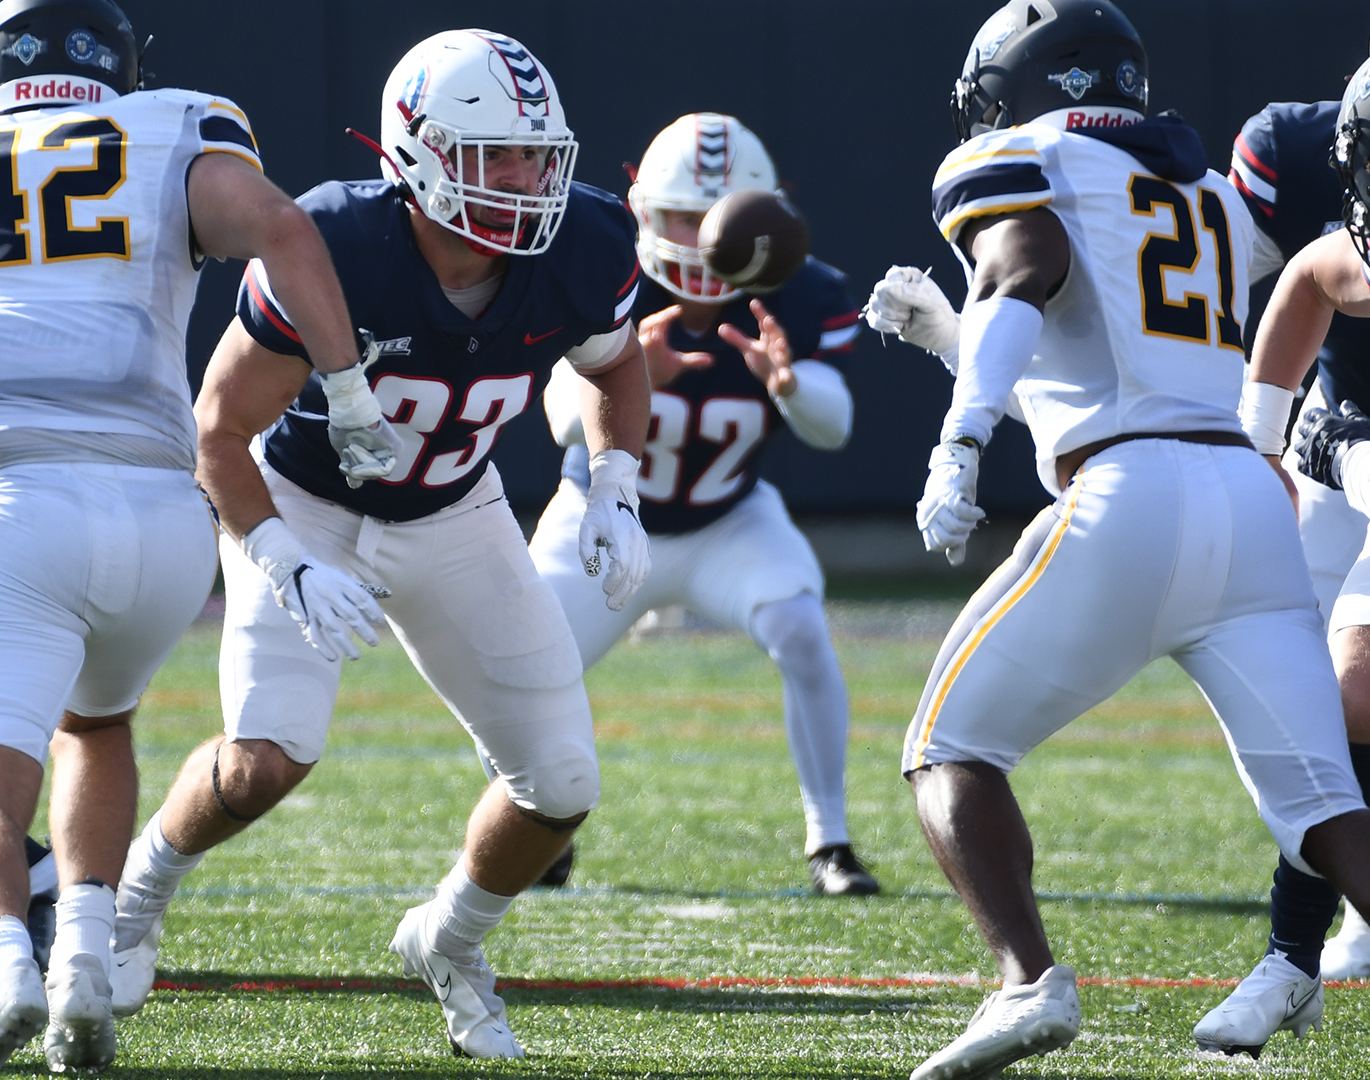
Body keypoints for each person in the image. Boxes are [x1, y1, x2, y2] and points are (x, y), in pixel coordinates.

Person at [0, 1, 392, 1074]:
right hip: (161, 520)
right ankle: (87, 962)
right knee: (95, 726)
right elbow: (286, 228)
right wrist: (346, 393)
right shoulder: (173, 126)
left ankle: (6, 969)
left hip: (11, 505)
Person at [108, 28, 651, 1059]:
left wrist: (617, 483)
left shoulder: (584, 241)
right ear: (419, 153)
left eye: (537, 156)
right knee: (270, 757)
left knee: (564, 783)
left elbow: (617, 366)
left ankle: (450, 940)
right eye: (494, 158)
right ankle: (142, 890)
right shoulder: (338, 246)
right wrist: (282, 561)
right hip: (301, 504)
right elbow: (216, 431)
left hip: (455, 509)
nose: (524, 182)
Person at [867, 3, 1370, 1077]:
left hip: (1126, 497)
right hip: (1245, 500)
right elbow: (1122, 354)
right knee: (1330, 813)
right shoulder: (1207, 195)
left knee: (947, 749)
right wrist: (946, 343)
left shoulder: (1019, 152)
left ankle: (1027, 984)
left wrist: (957, 438)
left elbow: (1025, 271)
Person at [528, 113, 876, 896]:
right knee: (516, 663)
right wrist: (623, 376)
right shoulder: (604, 266)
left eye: (715, 216)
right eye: (683, 214)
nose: (698, 237)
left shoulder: (805, 289)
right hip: (606, 517)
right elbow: (557, 419)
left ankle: (831, 840)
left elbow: (836, 425)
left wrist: (787, 385)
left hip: (729, 517)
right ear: (643, 208)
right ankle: (540, 827)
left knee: (800, 627)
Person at [1181, 69, 1370, 1056]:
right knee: (1322, 709)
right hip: (1345, 465)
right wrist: (1263, 438)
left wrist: (1338, 447)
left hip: (1352, 457)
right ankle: (1292, 958)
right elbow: (1309, 274)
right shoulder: (1333, 216)